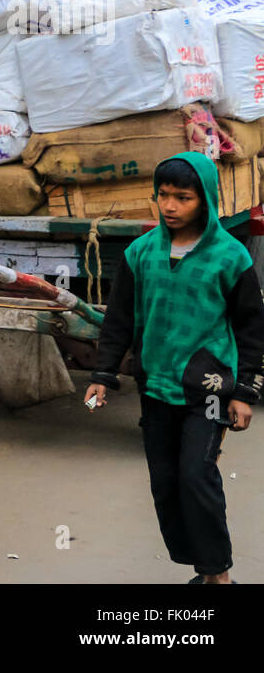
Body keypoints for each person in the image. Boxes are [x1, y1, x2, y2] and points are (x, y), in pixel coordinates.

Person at [85, 152, 264, 585]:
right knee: (165, 483)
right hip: (156, 387)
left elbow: (252, 327)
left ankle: (218, 577)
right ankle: (201, 568)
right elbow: (119, 320)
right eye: (163, 196)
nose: (170, 206)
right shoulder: (140, 253)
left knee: (197, 475)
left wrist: (244, 391)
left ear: (204, 198)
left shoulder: (231, 257)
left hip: (208, 390)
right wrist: (102, 375)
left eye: (182, 197)